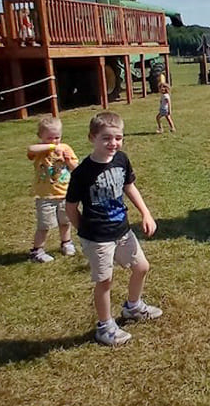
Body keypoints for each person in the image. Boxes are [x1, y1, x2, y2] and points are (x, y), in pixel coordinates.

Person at [65, 111, 161, 347]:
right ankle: (105, 326)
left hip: (122, 230)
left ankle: (133, 306)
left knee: (141, 267)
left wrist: (146, 213)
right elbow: (70, 207)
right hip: (97, 237)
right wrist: (86, 234)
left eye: (118, 138)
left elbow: (129, 187)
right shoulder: (82, 173)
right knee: (105, 281)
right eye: (106, 138)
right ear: (92, 138)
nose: (113, 143)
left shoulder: (121, 159)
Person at [27, 116, 79, 263]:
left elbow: (77, 169)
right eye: (49, 138)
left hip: (64, 193)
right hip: (46, 196)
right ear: (40, 136)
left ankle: (66, 242)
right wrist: (51, 147)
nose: (54, 141)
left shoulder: (66, 148)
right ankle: (37, 250)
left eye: (57, 137)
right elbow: (30, 149)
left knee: (65, 221)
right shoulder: (39, 151)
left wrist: (68, 161)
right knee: (44, 225)